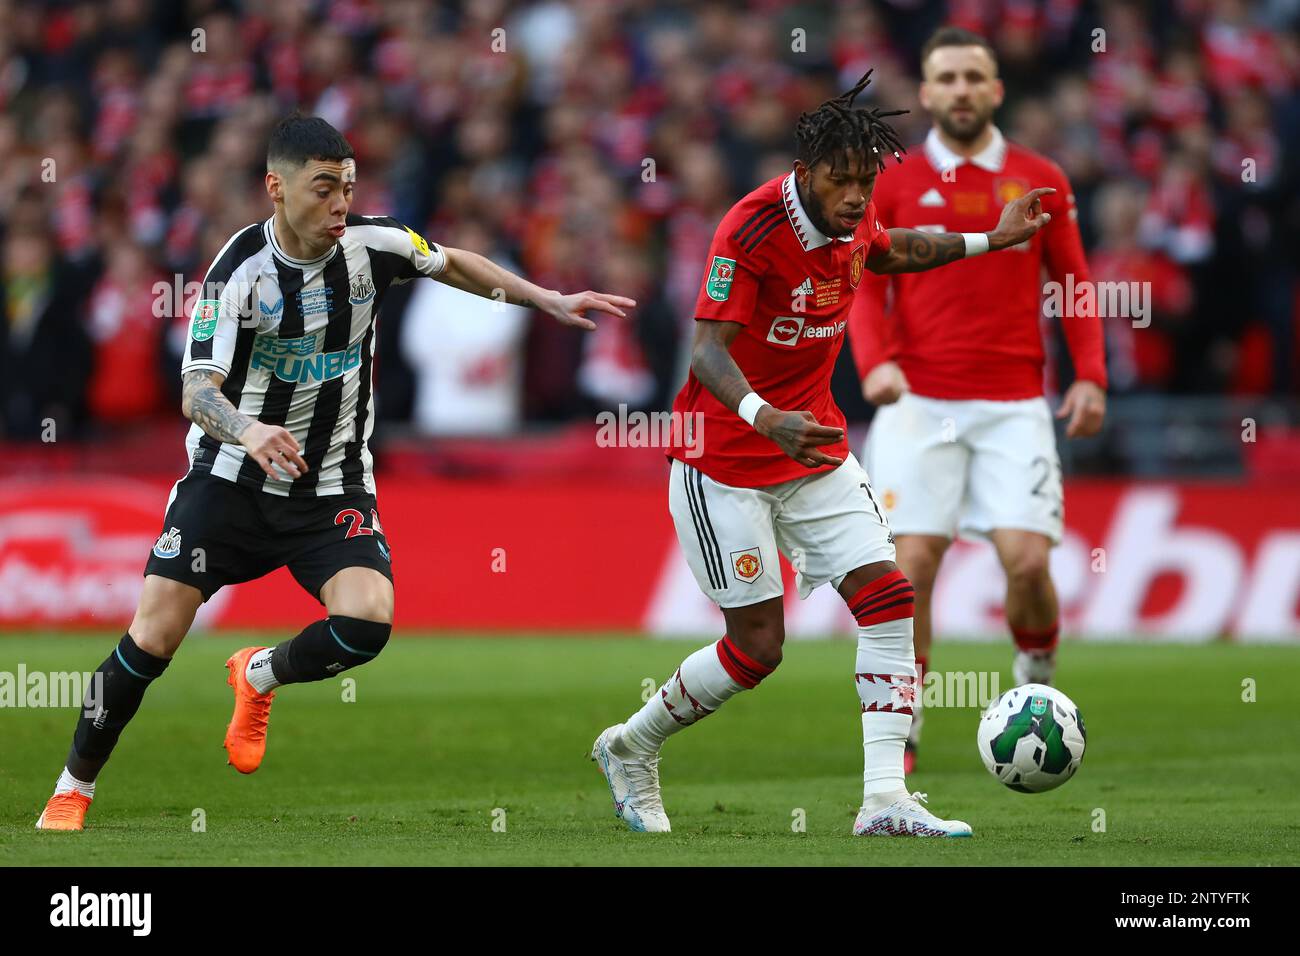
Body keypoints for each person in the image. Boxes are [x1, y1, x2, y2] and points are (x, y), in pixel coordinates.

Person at [36, 113, 634, 831]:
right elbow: (196, 389)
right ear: (275, 188)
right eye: (324, 189)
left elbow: (451, 261)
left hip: (330, 486)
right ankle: (74, 786)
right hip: (229, 482)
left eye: (348, 188)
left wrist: (543, 297)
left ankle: (258, 672)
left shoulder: (373, 244)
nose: (340, 204)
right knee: (153, 637)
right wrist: (249, 427)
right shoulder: (236, 273)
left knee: (366, 624)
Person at [592, 71, 1054, 836]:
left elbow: (894, 249)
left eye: (866, 182)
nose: (855, 197)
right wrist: (761, 415)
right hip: (723, 461)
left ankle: (885, 800)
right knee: (758, 649)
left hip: (811, 448)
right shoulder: (749, 229)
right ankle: (631, 746)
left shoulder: (855, 223)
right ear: (803, 173)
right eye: (841, 181)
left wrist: (989, 239)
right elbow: (706, 350)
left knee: (890, 597)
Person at [848, 28, 1107, 773]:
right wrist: (876, 365)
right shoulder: (890, 179)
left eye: (974, 77)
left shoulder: (1038, 176)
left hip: (1014, 401)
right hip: (917, 401)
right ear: (925, 94)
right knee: (910, 566)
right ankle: (903, 730)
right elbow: (867, 281)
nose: (961, 89)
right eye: (946, 78)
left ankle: (1036, 681)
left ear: (996, 90)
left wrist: (1089, 373)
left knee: (1026, 563)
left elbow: (1076, 282)